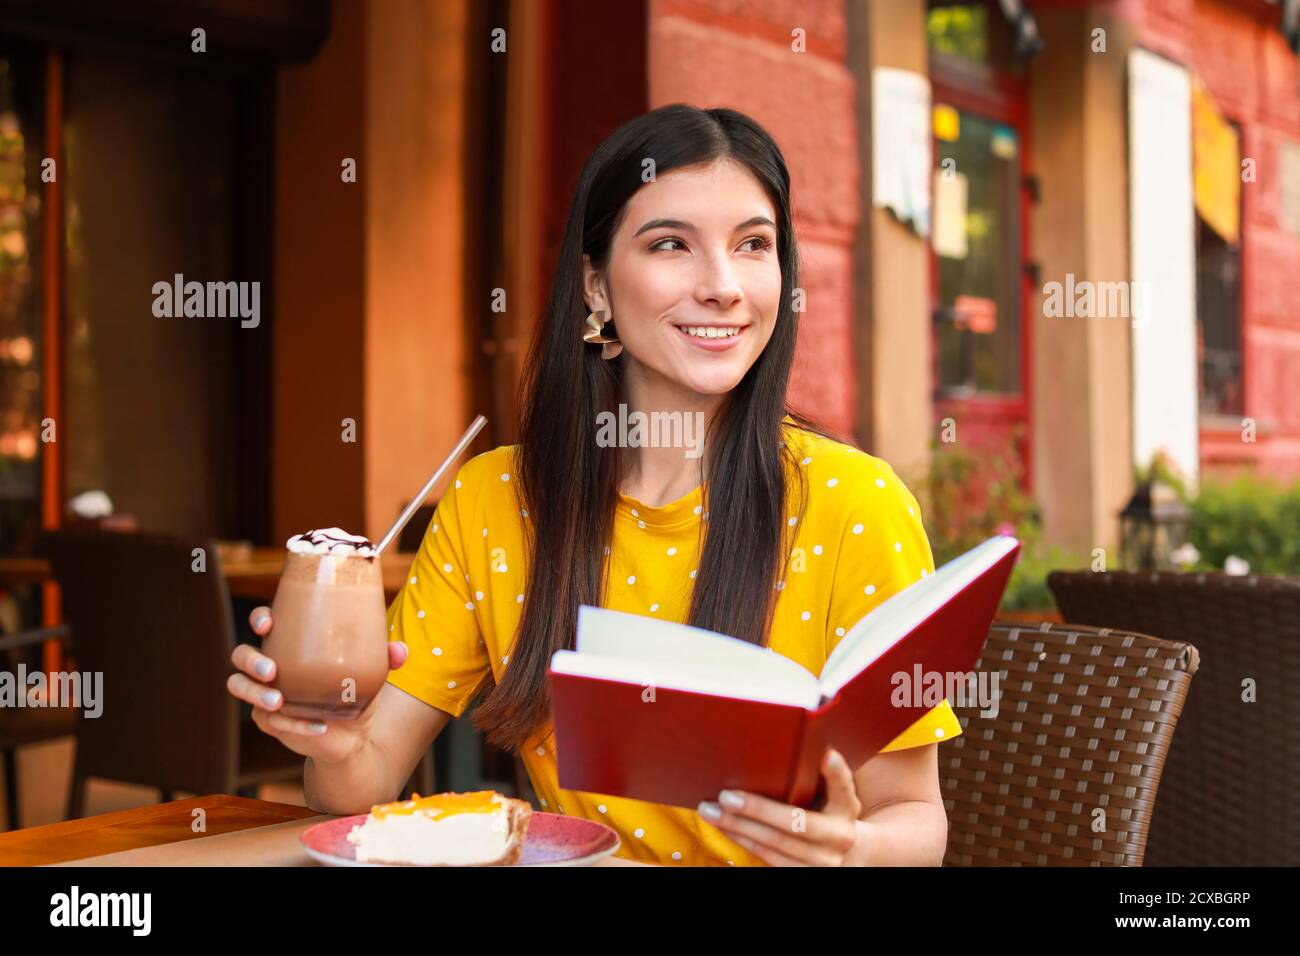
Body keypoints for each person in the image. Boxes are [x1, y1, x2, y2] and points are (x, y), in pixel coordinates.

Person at [227, 103, 960, 866]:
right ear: (596, 285)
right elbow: (357, 783)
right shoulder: (492, 502)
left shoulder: (854, 504)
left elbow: (915, 820)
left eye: (754, 245)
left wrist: (846, 850)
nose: (723, 286)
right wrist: (335, 744)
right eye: (671, 244)